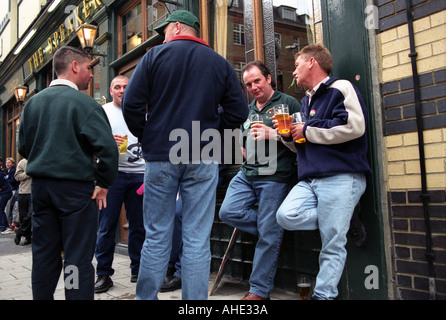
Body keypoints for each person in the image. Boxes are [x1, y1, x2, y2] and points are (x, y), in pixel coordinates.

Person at [122, 10, 248, 300]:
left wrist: (148, 134)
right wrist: (213, 133)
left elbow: (131, 104)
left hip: (162, 155)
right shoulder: (220, 63)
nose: (163, 36)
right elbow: (238, 112)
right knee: (197, 237)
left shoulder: (153, 57)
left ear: (177, 26)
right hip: (203, 156)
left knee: (156, 235)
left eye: (164, 30)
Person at [18, 46, 119, 300]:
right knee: (75, 257)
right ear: (75, 67)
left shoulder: (32, 105)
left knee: (44, 254)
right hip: (75, 190)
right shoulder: (85, 104)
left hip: (41, 189)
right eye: (88, 68)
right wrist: (103, 183)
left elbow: (23, 147)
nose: (90, 75)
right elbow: (108, 150)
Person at [276, 43, 371, 300]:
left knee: (332, 245)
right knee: (285, 216)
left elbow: (354, 126)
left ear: (312, 63)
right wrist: (287, 137)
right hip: (311, 179)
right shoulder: (304, 101)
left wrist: (306, 130)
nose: (293, 72)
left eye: (296, 66)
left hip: (340, 176)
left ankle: (323, 296)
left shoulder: (341, 88)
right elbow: (303, 147)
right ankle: (342, 217)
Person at [218, 61, 300, 300]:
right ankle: (273, 233)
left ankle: (258, 291)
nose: (253, 87)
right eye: (248, 84)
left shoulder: (288, 103)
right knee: (227, 212)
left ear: (269, 79)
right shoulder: (248, 110)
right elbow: (243, 143)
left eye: (257, 81)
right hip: (246, 174)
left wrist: (274, 135)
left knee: (268, 234)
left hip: (275, 177)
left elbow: (302, 145)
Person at [94, 75, 145, 293]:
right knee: (106, 226)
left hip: (140, 174)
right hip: (112, 176)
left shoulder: (143, 110)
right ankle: (103, 274)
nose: (122, 90)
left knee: (139, 226)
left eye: (126, 86)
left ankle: (138, 269)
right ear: (111, 90)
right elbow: (90, 141)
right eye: (117, 87)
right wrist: (107, 143)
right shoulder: (102, 111)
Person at [13, 158, 32, 245]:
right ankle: (28, 237)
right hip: (23, 192)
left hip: (35, 192)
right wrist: (29, 172)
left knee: (31, 215)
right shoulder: (23, 162)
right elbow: (17, 177)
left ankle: (20, 231)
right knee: (23, 216)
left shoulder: (38, 159)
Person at [2, 157, 19, 235]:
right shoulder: (6, 171)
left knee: (8, 207)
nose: (7, 164)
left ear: (12, 163)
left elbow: (13, 180)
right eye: (6, 162)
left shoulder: (13, 170)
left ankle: (8, 224)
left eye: (9, 162)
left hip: (12, 190)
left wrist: (5, 180)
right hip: (9, 189)